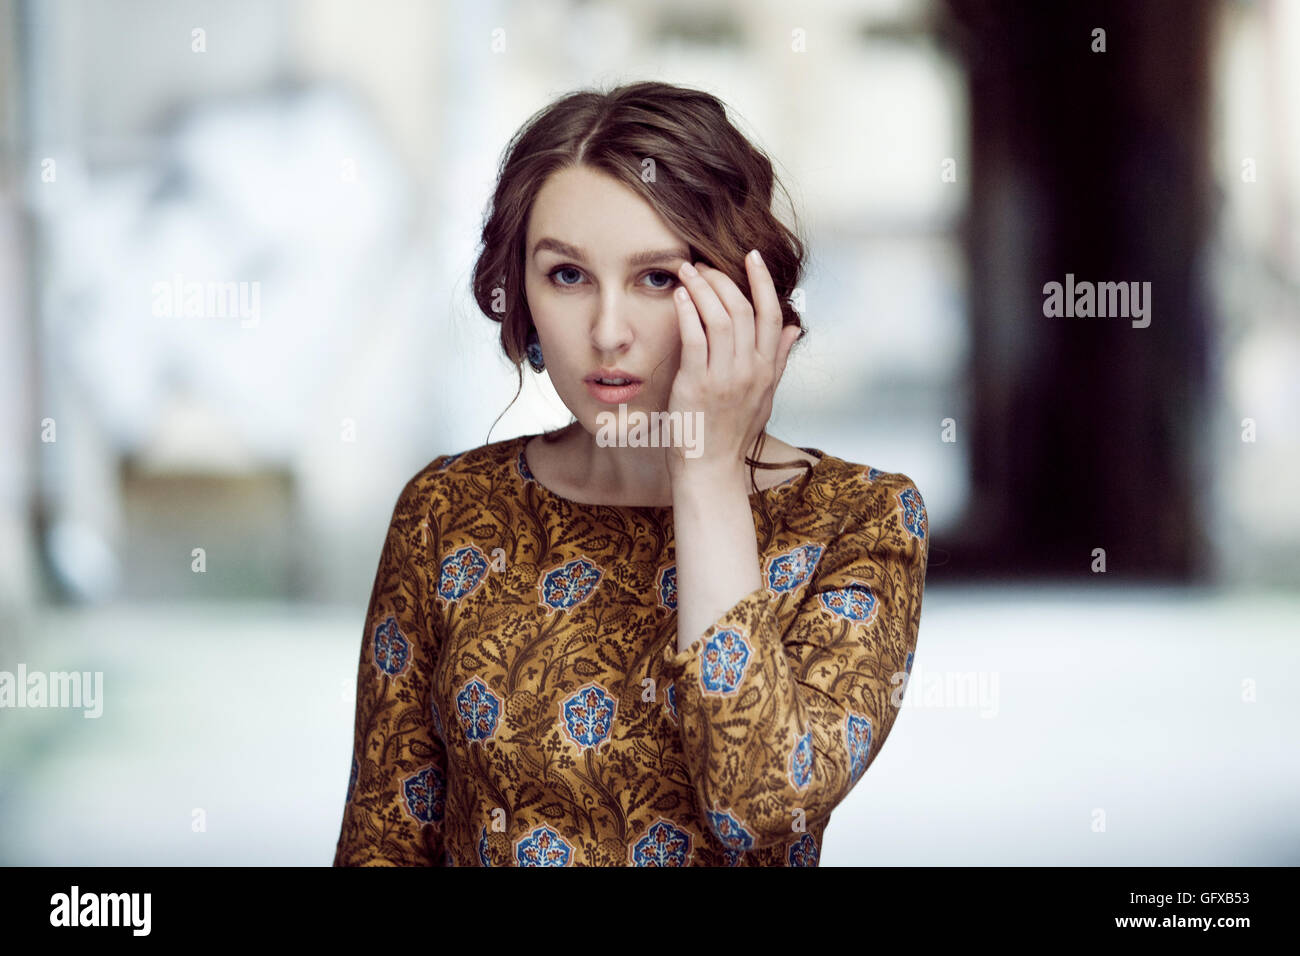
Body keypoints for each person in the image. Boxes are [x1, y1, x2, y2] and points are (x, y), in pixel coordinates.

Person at [332, 81, 929, 867]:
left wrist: (706, 471)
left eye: (657, 279)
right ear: (521, 295)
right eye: (567, 276)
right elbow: (381, 844)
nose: (607, 332)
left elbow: (759, 809)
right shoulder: (445, 511)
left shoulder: (860, 518)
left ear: (742, 292)